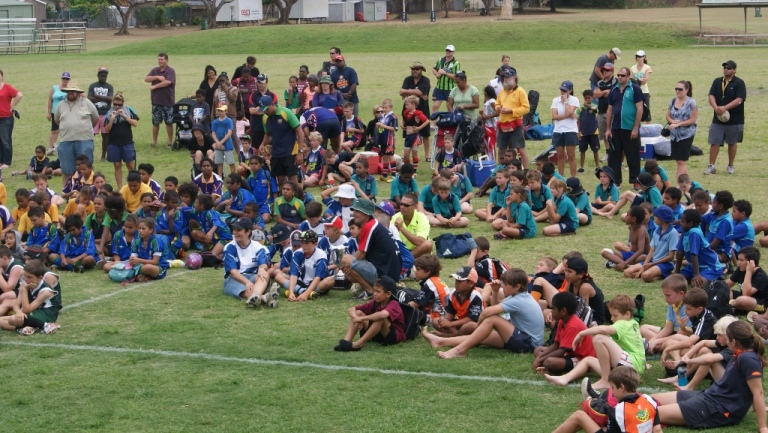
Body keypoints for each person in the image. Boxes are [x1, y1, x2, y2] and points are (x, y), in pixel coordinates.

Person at [652, 321, 767, 431]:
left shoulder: (748, 359)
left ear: (733, 342)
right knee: (650, 399)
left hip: (719, 409)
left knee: (652, 412)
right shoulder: (739, 352)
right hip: (709, 396)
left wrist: (763, 428)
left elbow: (758, 392)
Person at [423, 268, 543, 358]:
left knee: (492, 319)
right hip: (523, 338)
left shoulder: (519, 300)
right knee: (482, 336)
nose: (503, 287)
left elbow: (488, 312)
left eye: (505, 285)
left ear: (517, 286)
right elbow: (497, 305)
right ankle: (440, 341)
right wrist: (495, 292)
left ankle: (459, 351)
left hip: (529, 343)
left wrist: (478, 326)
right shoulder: (519, 296)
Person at [545, 294, 644, 389]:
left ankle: (605, 380)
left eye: (615, 316)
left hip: (630, 367)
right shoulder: (632, 324)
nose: (612, 319)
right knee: (589, 359)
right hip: (628, 370)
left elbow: (604, 330)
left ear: (627, 314)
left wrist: (582, 333)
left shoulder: (624, 323)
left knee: (599, 338)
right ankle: (564, 378)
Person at [552, 367, 662, 433]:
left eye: (612, 388)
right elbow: (657, 430)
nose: (612, 392)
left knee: (579, 415)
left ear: (622, 387)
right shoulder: (649, 400)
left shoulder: (619, 411)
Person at [340, 199, 401, 300]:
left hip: (385, 274)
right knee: (351, 271)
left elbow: (360, 255)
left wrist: (347, 264)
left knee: (346, 260)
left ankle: (370, 291)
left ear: (367, 213)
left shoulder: (369, 226)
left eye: (357, 211)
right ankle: (372, 288)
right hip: (389, 272)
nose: (353, 214)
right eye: (354, 210)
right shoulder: (373, 224)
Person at [334, 275, 406, 352]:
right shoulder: (375, 302)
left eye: (378, 291)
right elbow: (352, 309)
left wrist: (362, 318)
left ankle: (358, 344)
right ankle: (346, 341)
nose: (374, 294)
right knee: (358, 312)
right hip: (378, 334)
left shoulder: (394, 304)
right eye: (374, 290)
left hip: (392, 336)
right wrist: (356, 318)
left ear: (388, 294)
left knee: (380, 318)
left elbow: (383, 315)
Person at [533, 291, 596, 375]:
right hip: (569, 354)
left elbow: (561, 351)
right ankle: (550, 364)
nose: (551, 311)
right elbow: (556, 344)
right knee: (538, 350)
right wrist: (540, 357)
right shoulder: (562, 321)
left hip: (582, 357)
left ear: (563, 311)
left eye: (553, 308)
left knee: (549, 362)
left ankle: (583, 368)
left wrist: (540, 359)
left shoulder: (573, 325)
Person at [53, 81, 98, 189]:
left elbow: (95, 118)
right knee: (66, 169)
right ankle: (66, 192)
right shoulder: (61, 105)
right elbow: (57, 120)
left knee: (85, 168)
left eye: (73, 91)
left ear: (78, 92)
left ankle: (88, 191)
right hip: (65, 141)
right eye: (69, 91)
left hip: (84, 140)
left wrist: (84, 128)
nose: (71, 93)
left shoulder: (87, 103)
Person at [705, 60, 746, 176]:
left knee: (732, 142)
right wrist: (716, 107)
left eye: (728, 68)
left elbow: (740, 99)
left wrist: (725, 108)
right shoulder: (717, 81)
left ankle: (730, 165)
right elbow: (711, 95)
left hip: (735, 119)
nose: (725, 69)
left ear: (734, 70)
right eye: (724, 67)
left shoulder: (739, 83)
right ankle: (711, 166)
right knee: (714, 142)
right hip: (718, 118)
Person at [0, 260, 61, 336]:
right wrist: (19, 312)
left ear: (40, 278)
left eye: (29, 277)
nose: (25, 279)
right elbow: (16, 305)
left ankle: (46, 325)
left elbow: (26, 309)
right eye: (24, 275)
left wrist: (25, 290)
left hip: (47, 313)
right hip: (34, 311)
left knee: (12, 319)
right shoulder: (24, 284)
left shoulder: (45, 291)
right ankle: (30, 327)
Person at [605, 67, 643, 187]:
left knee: (633, 156)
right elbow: (610, 109)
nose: (619, 77)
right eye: (618, 75)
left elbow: (640, 108)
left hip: (630, 128)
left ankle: (635, 181)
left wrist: (635, 128)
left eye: (622, 75)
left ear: (628, 77)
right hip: (616, 128)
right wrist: (608, 129)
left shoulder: (634, 89)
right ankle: (616, 180)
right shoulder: (614, 90)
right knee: (614, 156)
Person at [222, 217, 273, 306]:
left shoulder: (258, 247)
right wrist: (247, 282)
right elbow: (233, 272)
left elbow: (263, 264)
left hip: (253, 277)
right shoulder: (229, 247)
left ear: (248, 232)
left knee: (264, 275)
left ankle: (256, 297)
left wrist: (261, 269)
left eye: (238, 230)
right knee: (241, 287)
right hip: (235, 278)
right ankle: (264, 298)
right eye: (234, 230)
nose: (235, 233)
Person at [258, 95, 304, 186]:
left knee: (292, 178)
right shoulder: (265, 118)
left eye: (267, 109)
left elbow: (300, 132)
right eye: (263, 110)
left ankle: (299, 198)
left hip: (290, 151)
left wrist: (300, 152)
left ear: (272, 104)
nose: (265, 112)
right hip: (276, 152)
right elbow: (268, 134)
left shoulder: (286, 113)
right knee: (280, 179)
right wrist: (262, 144)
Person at [494, 69, 529, 166]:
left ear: (515, 78)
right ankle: (501, 169)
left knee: (520, 149)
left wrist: (512, 111)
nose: (506, 79)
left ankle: (525, 169)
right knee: (501, 149)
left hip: (515, 124)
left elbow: (526, 108)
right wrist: (498, 108)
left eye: (508, 77)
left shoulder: (520, 91)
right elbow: (497, 104)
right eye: (504, 77)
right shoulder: (502, 92)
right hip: (502, 125)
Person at [104, 92, 138, 190]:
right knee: (117, 165)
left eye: (119, 105)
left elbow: (135, 124)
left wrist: (125, 116)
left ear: (123, 104)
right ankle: (120, 188)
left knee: (130, 165)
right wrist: (112, 119)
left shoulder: (129, 110)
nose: (117, 106)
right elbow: (106, 129)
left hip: (127, 142)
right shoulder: (109, 112)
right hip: (114, 143)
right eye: (115, 104)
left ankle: (133, 185)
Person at [400, 61, 432, 162]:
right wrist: (417, 93)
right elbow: (401, 92)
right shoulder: (407, 79)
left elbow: (420, 92)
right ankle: (407, 155)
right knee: (408, 132)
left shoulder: (425, 80)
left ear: (421, 70)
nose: (414, 71)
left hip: (422, 109)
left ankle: (427, 156)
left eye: (417, 69)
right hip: (408, 109)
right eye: (413, 69)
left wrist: (408, 91)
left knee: (425, 133)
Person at [666, 80, 697, 179]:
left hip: (686, 135)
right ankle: (685, 182)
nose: (678, 91)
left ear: (686, 90)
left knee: (681, 161)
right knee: (678, 161)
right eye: (676, 89)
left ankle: (681, 184)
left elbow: (693, 119)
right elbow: (668, 116)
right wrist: (672, 121)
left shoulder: (691, 103)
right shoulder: (673, 101)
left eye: (680, 89)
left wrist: (679, 124)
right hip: (674, 135)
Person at [145, 52, 176, 148]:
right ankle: (154, 141)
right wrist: (157, 77)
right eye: (159, 59)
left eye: (162, 59)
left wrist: (155, 86)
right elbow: (146, 78)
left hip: (167, 101)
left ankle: (170, 142)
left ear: (166, 60)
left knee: (169, 122)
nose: (160, 61)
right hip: (156, 101)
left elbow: (168, 82)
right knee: (155, 122)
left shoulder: (170, 71)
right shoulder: (155, 70)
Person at [551, 80, 580, 178]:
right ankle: (561, 176)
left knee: (571, 155)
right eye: (562, 90)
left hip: (570, 130)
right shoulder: (555, 100)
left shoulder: (574, 100)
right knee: (560, 155)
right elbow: (554, 116)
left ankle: (573, 177)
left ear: (570, 90)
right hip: (558, 130)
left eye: (565, 90)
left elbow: (570, 112)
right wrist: (569, 115)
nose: (563, 92)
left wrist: (566, 102)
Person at [88, 67, 114, 162]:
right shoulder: (92, 86)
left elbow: (110, 99)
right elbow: (89, 98)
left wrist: (97, 96)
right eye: (102, 76)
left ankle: (103, 156)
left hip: (105, 114)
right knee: (90, 135)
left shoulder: (109, 87)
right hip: (94, 114)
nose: (103, 78)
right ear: (98, 76)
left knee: (105, 135)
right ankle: (89, 154)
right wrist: (104, 98)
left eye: (105, 76)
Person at [432, 45, 461, 115]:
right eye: (447, 50)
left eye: (450, 51)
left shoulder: (456, 63)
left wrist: (445, 73)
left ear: (453, 52)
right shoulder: (440, 60)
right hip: (439, 87)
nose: (448, 52)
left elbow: (456, 76)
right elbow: (434, 69)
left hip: (450, 89)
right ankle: (433, 125)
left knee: (449, 107)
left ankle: (452, 122)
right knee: (435, 106)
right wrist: (436, 74)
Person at [577, 89, 600, 174]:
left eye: (589, 98)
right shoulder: (580, 108)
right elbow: (578, 120)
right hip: (583, 132)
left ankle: (597, 166)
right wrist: (578, 131)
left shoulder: (594, 106)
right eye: (586, 98)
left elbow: (595, 111)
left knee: (595, 150)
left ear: (592, 98)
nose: (587, 100)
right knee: (582, 150)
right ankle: (582, 167)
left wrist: (588, 106)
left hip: (593, 132)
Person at [47, 72, 69, 155]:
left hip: (66, 112)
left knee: (65, 129)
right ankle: (50, 147)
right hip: (55, 112)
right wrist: (49, 113)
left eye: (67, 79)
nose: (65, 80)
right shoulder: (55, 88)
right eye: (64, 78)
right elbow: (50, 100)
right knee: (54, 130)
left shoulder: (70, 89)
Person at [630, 50, 652, 121]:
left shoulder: (647, 68)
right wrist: (640, 80)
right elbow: (631, 80)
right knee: (635, 111)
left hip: (644, 91)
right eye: (637, 56)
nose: (638, 58)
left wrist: (636, 79)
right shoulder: (632, 68)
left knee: (646, 111)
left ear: (644, 57)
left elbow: (645, 80)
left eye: (640, 56)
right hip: (635, 91)